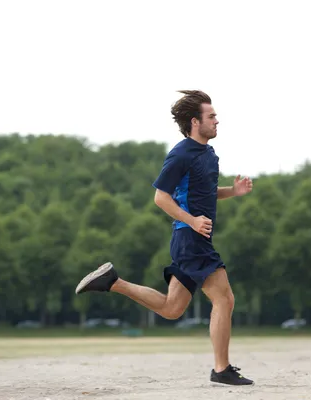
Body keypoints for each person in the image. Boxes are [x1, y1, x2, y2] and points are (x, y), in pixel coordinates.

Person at [74, 90, 254, 386]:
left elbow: (205, 194)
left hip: (194, 239)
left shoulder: (208, 154)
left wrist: (233, 192)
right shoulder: (181, 153)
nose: (217, 120)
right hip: (190, 238)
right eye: (212, 116)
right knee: (224, 298)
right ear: (195, 122)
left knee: (172, 309)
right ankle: (221, 369)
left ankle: (113, 282)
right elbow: (161, 197)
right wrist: (192, 221)